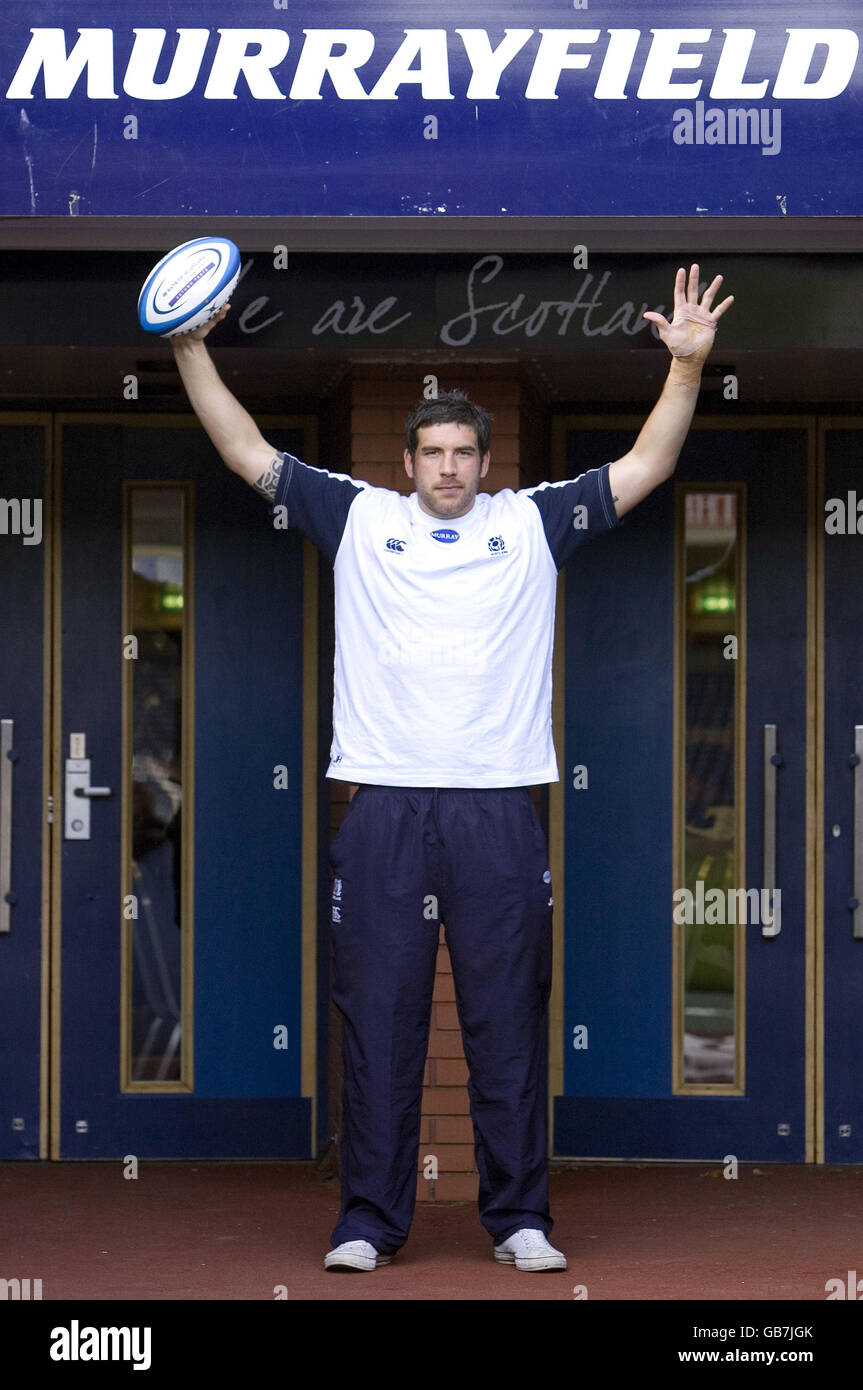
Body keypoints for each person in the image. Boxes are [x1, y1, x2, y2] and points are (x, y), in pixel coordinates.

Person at [171, 263, 733, 1273]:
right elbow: (244, 447)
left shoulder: (530, 524)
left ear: (484, 459)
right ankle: (366, 1222)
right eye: (430, 450)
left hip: (497, 812)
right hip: (381, 807)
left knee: (505, 1021)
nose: (446, 466)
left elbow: (644, 468)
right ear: (405, 458)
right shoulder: (356, 519)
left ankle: (518, 1218)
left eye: (462, 451)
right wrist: (186, 346)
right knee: (375, 1022)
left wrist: (685, 369)